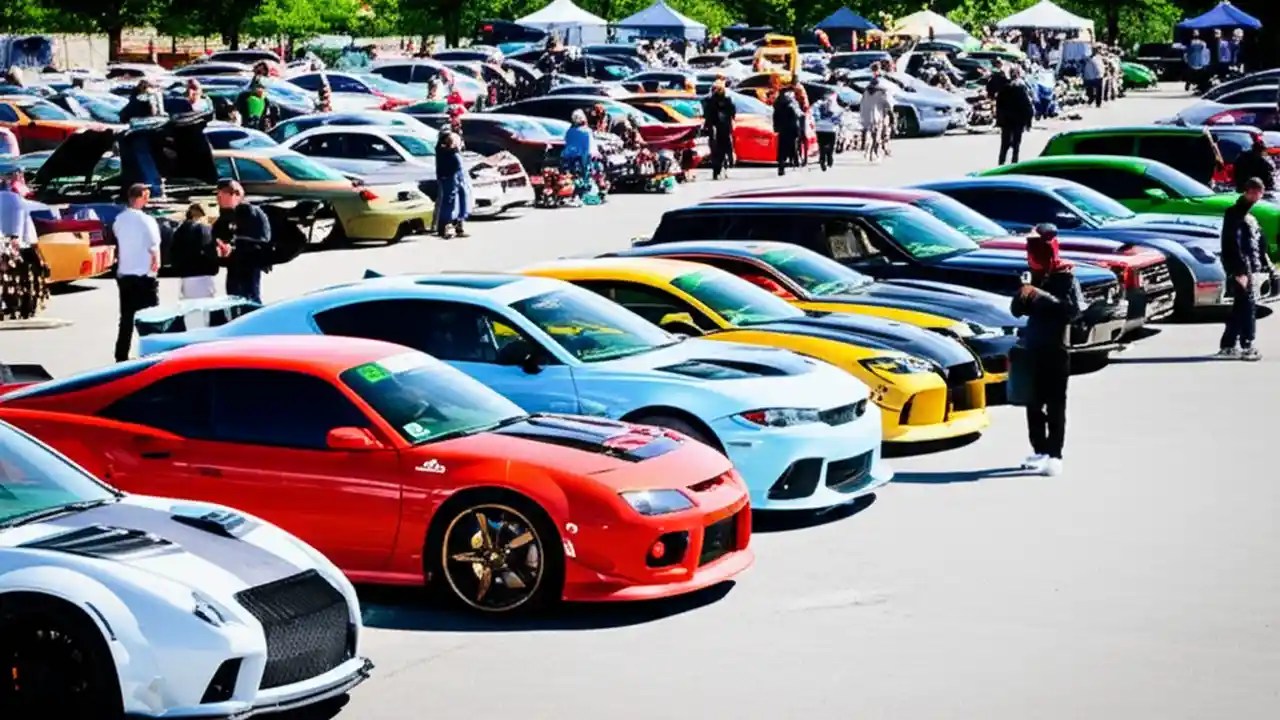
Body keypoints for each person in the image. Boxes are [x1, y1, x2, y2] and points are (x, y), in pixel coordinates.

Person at [1011, 224, 1082, 476]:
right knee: (1032, 403)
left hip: (1056, 349)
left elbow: (1072, 311)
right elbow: (1017, 310)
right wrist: (1023, 293)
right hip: (1033, 348)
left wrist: (1039, 295)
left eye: (1036, 250)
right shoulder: (1030, 276)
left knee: (1055, 404)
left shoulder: (1065, 277)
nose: (1031, 257)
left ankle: (1055, 453)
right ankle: (1039, 449)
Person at [111, 184, 161, 361]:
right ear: (140, 197)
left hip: (125, 274)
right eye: (146, 195)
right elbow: (153, 246)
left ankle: (121, 354)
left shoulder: (119, 219)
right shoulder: (146, 220)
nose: (148, 199)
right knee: (151, 317)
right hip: (144, 275)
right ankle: (152, 352)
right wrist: (156, 263)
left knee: (126, 318)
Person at [1218, 178, 1266, 360]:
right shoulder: (1234, 215)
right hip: (1241, 268)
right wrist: (1240, 271)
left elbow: (1257, 243)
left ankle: (1228, 345)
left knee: (1241, 307)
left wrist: (1264, 265)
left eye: (1258, 192)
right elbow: (1233, 244)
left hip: (1248, 267)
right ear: (1245, 192)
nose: (1255, 196)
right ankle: (1247, 345)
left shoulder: (1249, 216)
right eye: (1252, 192)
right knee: (1248, 307)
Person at [212, 179, 272, 303]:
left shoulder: (250, 212)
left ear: (235, 194)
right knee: (233, 297)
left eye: (222, 194)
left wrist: (233, 247)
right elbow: (218, 235)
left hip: (249, 265)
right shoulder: (224, 216)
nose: (218, 198)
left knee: (249, 297)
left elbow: (261, 241)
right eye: (217, 195)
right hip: (233, 266)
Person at [170, 203, 219, 300]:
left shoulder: (179, 230)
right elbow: (210, 251)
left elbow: (173, 252)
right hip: (203, 274)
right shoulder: (205, 230)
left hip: (186, 274)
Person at [434, 130, 472, 236]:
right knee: (449, 201)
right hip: (448, 176)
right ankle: (445, 226)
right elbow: (449, 151)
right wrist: (454, 145)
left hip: (459, 175)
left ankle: (459, 223)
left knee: (463, 198)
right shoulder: (442, 149)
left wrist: (458, 143)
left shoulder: (454, 150)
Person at [996, 66, 1034, 165]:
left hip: (1006, 120)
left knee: (1004, 145)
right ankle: (1014, 164)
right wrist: (1028, 122)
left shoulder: (1004, 87)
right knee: (1016, 145)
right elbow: (1027, 106)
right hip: (1018, 121)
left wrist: (999, 120)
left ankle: (1001, 164)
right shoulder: (1021, 88)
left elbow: (999, 105)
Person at [701, 79, 736, 180]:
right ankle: (720, 168)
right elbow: (732, 114)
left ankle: (720, 168)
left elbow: (707, 115)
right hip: (720, 129)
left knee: (719, 150)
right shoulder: (720, 101)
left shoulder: (714, 101)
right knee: (721, 150)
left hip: (719, 130)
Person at [561, 111, 597, 205]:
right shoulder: (586, 131)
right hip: (583, 156)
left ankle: (574, 194)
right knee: (584, 175)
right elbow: (590, 146)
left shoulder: (570, 131)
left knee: (571, 175)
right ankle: (583, 194)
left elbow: (567, 142)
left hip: (570, 156)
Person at [772, 85, 801, 176]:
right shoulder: (791, 103)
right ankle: (794, 160)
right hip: (791, 128)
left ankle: (782, 166)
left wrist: (776, 127)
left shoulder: (778, 103)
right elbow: (796, 116)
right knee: (792, 145)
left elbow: (775, 116)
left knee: (782, 148)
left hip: (782, 129)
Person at [812, 91, 842, 172]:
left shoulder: (817, 104)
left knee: (821, 145)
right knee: (831, 145)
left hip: (819, 128)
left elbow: (813, 115)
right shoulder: (834, 105)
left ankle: (822, 159)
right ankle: (829, 158)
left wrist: (817, 121)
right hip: (831, 129)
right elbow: (838, 117)